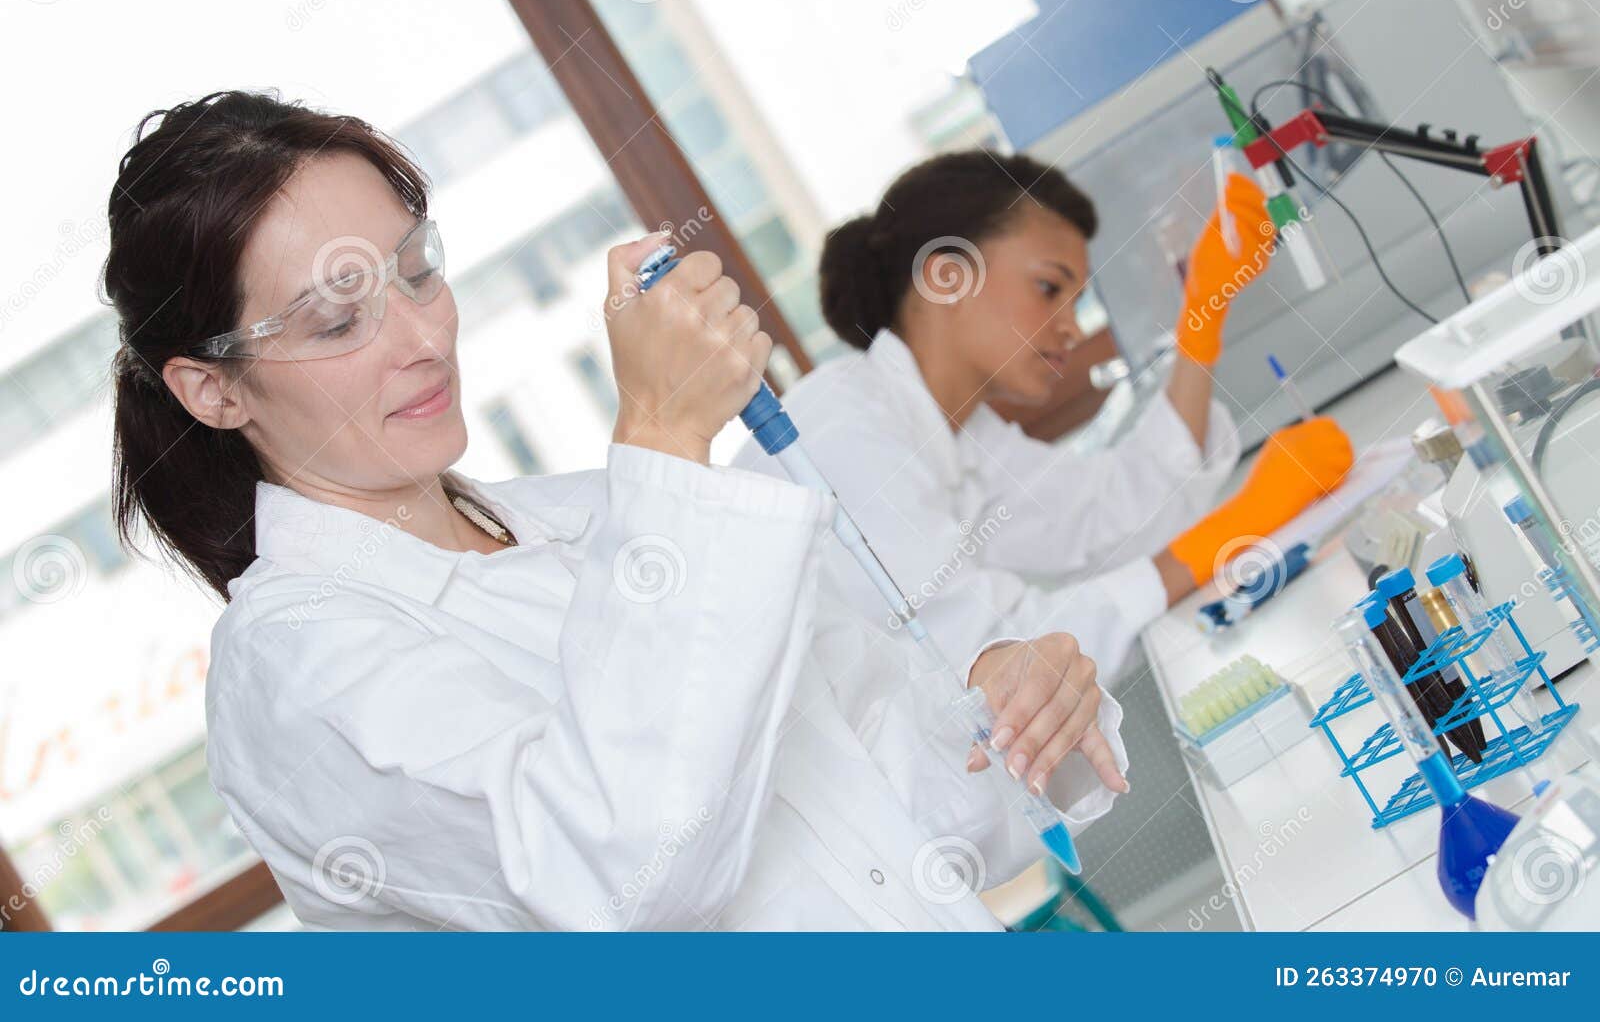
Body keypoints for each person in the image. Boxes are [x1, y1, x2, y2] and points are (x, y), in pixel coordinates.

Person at [102, 92, 1129, 931]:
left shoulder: (596, 516)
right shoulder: (290, 669)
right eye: (337, 319)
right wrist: (665, 436)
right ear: (213, 389)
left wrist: (1012, 713)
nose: (420, 335)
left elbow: (903, 806)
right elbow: (623, 884)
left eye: (419, 269)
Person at [734, 151, 1353, 703]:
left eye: (1075, 300)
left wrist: (1202, 321)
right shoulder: (843, 433)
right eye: (1048, 287)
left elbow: (1111, 514)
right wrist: (1240, 528)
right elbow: (1004, 658)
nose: (1070, 329)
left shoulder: (961, 430)